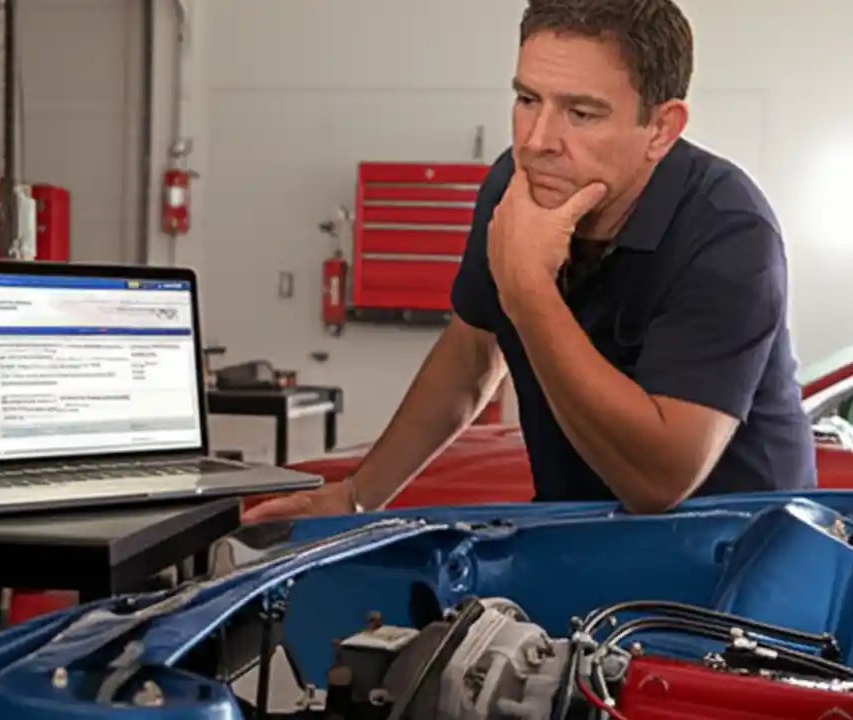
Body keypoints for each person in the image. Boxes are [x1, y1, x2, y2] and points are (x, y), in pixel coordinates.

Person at [243, 0, 815, 522]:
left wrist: (528, 290)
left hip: (739, 556)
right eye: (527, 100)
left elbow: (658, 481)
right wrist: (359, 494)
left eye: (582, 114)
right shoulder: (515, 185)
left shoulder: (728, 230)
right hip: (582, 531)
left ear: (660, 129)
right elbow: (471, 355)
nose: (538, 139)